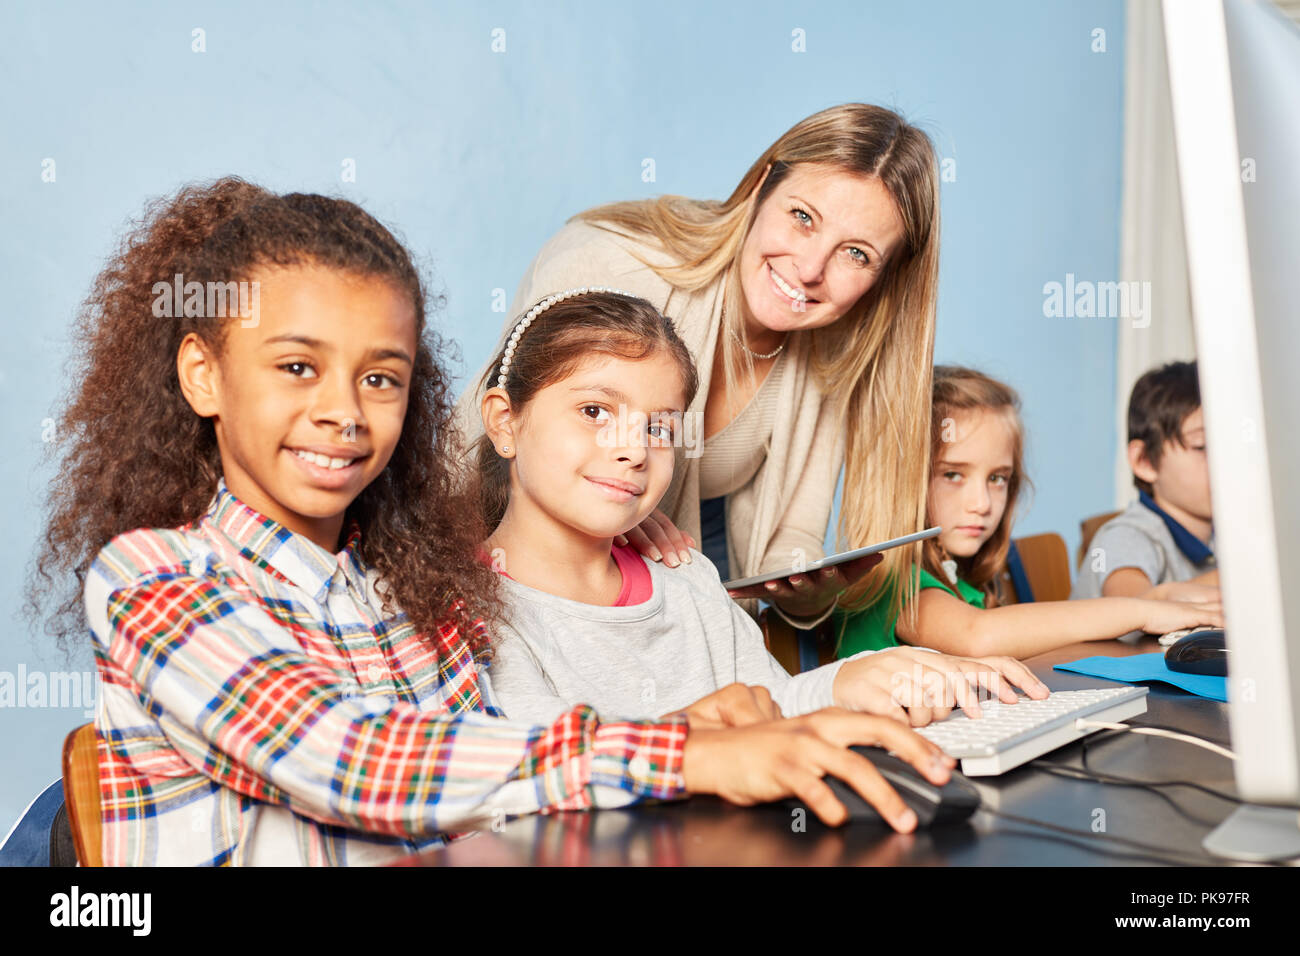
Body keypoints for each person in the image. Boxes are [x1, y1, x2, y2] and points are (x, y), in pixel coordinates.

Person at [28, 179, 955, 864]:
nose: (345, 412)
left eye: (381, 377)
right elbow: (358, 763)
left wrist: (701, 724)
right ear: (203, 376)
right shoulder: (154, 577)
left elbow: (487, 790)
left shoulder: (402, 587)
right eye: (297, 368)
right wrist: (680, 751)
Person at [455, 103, 940, 634]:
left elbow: (788, 543)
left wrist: (808, 583)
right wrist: (619, 510)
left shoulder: (830, 344)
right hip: (491, 531)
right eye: (802, 218)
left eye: (856, 254)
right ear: (760, 188)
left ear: (883, 278)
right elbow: (521, 454)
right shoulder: (610, 264)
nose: (809, 269)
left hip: (671, 566)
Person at [472, 289, 1049, 731]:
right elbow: (540, 772)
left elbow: (771, 707)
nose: (632, 448)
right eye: (595, 411)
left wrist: (863, 675)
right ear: (505, 421)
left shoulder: (686, 577)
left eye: (659, 426)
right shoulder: (470, 608)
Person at [832, 367, 1224, 659]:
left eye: (998, 479)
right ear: (898, 478)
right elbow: (976, 636)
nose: (982, 503)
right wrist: (1143, 611)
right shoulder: (886, 580)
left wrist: (1166, 597)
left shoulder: (963, 585)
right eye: (952, 474)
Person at [1072, 361, 1219, 601]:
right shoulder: (1127, 537)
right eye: (1202, 446)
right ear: (1144, 461)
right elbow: (1132, 606)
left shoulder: (1221, 537)